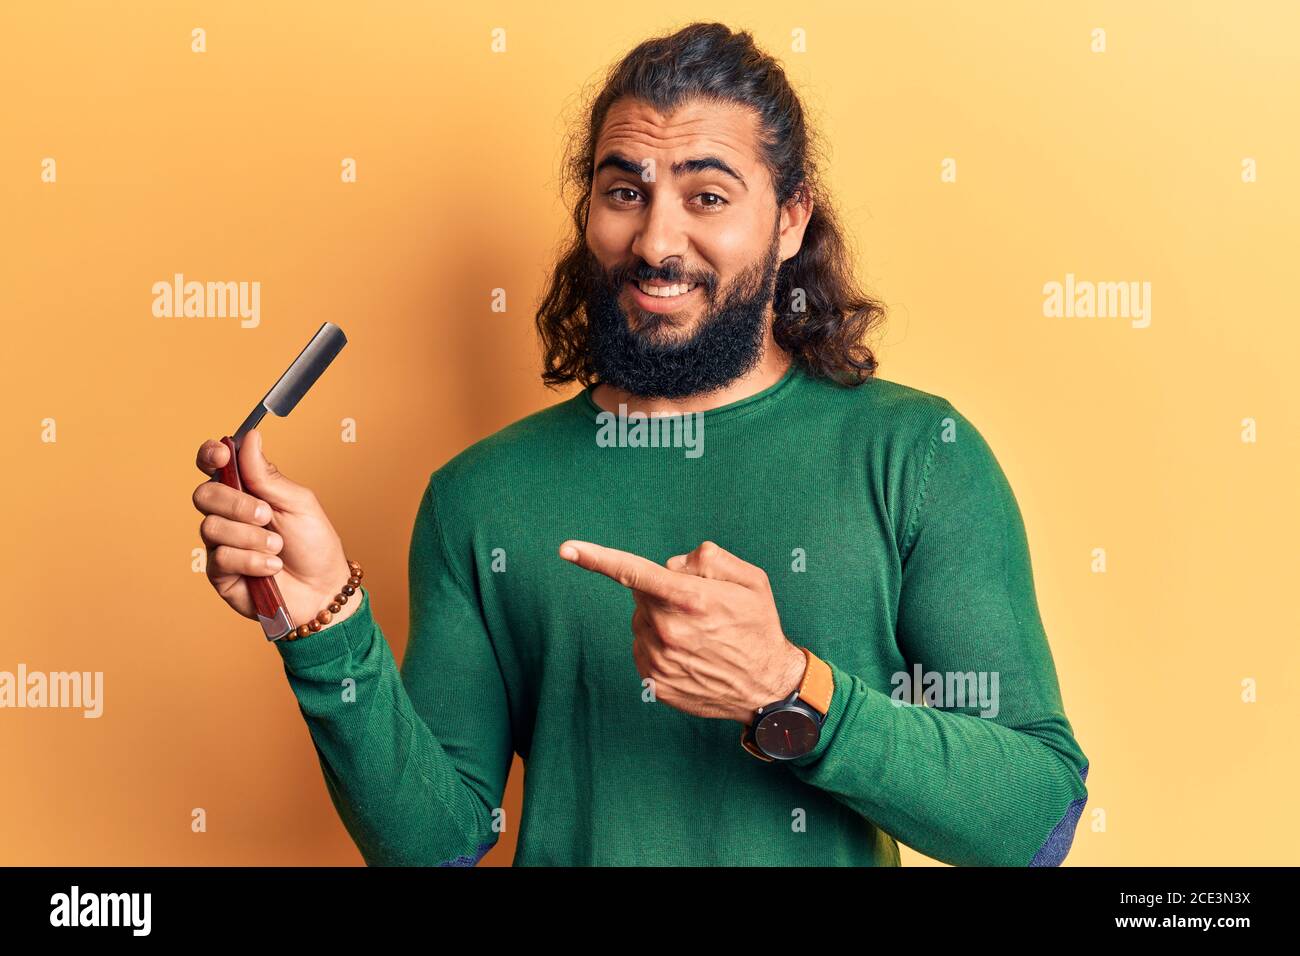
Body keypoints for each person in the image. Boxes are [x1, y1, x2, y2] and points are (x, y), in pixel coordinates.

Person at [191, 22, 1089, 867]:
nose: (656, 241)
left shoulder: (915, 455)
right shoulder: (478, 496)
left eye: (707, 196)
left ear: (790, 219)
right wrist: (318, 623)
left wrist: (786, 687)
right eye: (625, 192)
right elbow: (436, 843)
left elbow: (1035, 821)